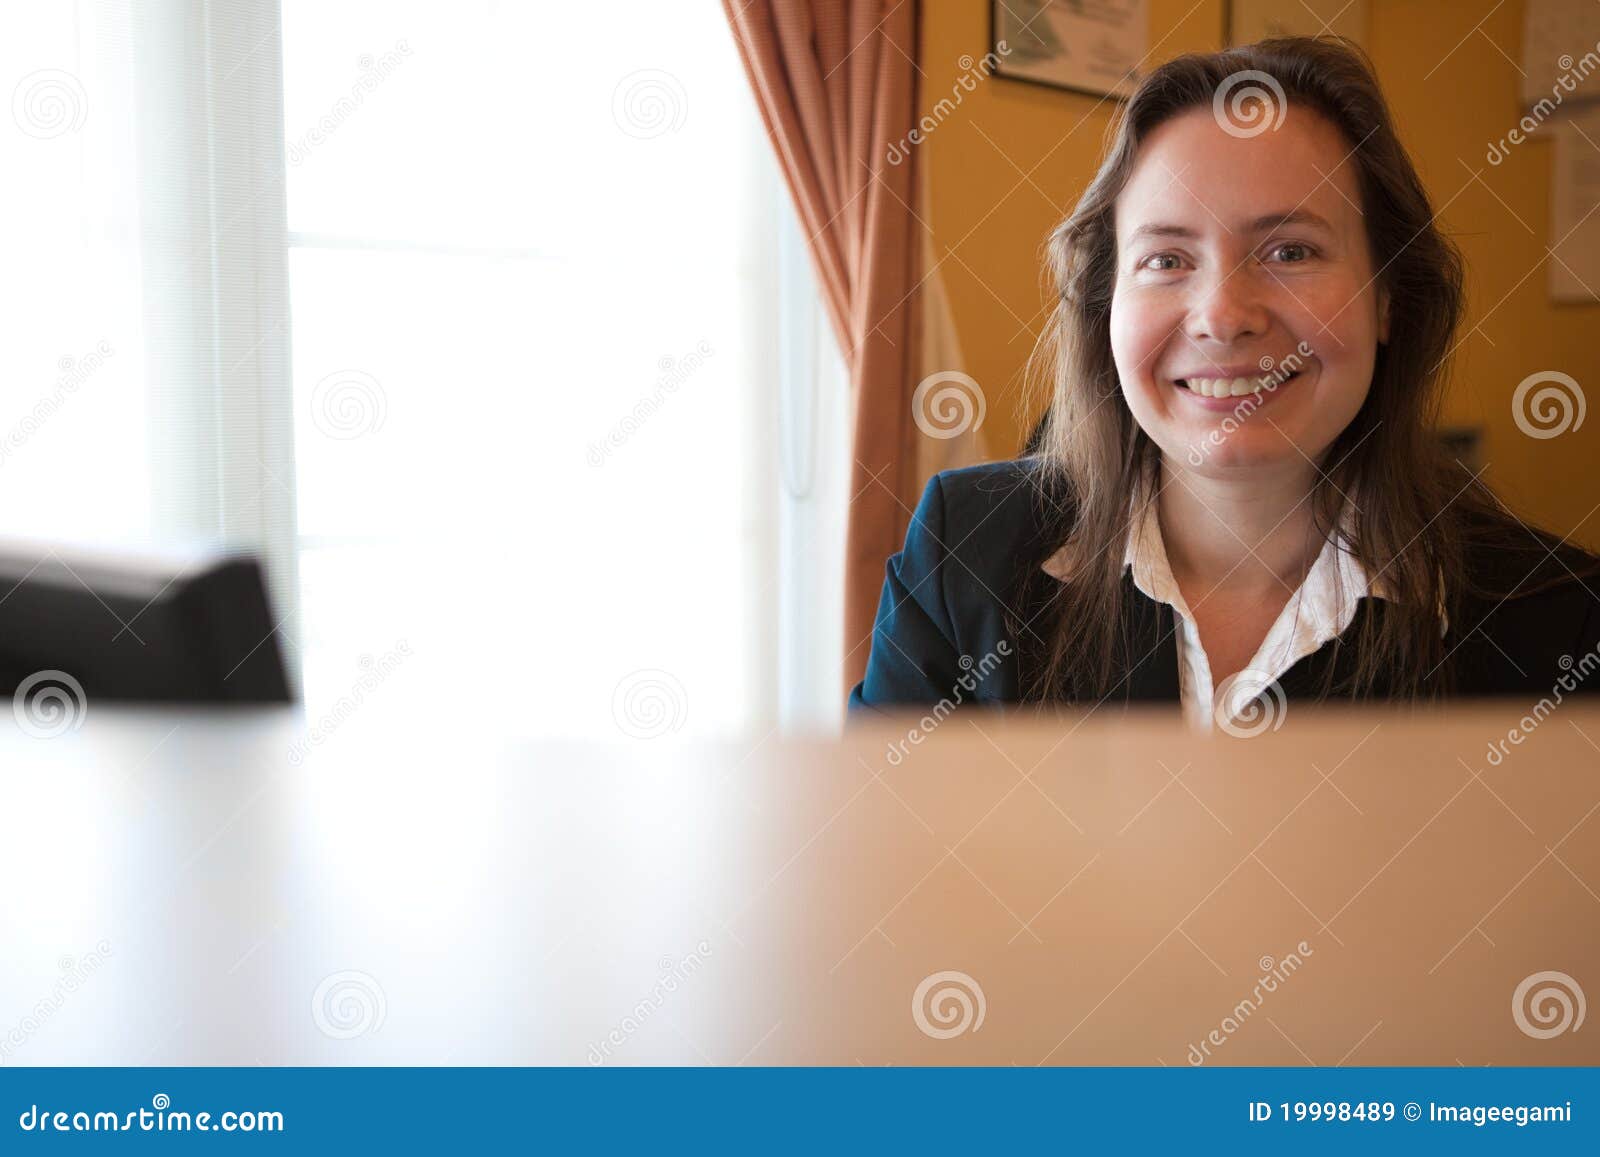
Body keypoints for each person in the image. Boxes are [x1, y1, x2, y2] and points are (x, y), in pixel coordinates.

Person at [848, 36, 1600, 730]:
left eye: (1292, 251)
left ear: (1387, 298)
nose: (1222, 316)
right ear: (1108, 304)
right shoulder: (964, 552)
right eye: (1167, 259)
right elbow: (882, 855)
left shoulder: (1557, 620)